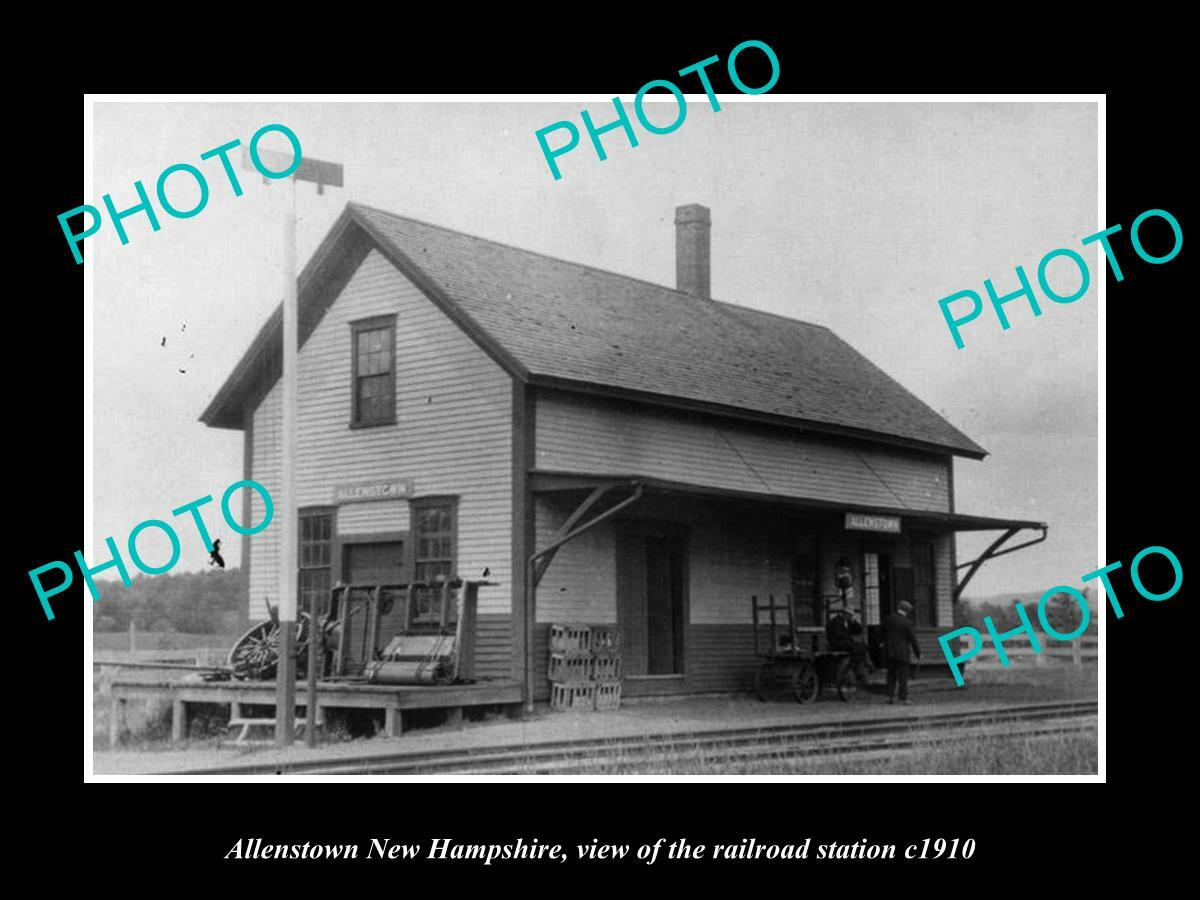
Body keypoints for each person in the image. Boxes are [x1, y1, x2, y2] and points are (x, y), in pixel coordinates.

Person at [880, 600, 921, 704]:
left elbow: (879, 632)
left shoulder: (888, 619)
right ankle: (903, 698)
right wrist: (918, 653)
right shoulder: (908, 623)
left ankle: (890, 697)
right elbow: (913, 639)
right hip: (902, 653)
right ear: (907, 611)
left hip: (889, 652)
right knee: (903, 676)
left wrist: (881, 643)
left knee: (891, 674)